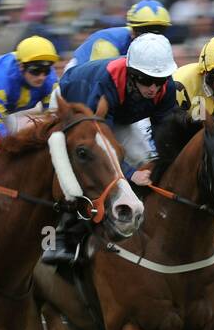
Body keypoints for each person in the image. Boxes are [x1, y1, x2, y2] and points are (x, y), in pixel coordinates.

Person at [51, 34, 183, 265]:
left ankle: (136, 222)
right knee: (89, 168)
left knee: (147, 158)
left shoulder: (166, 87)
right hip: (75, 107)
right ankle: (64, 237)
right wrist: (131, 173)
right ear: (132, 74)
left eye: (159, 81)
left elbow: (166, 136)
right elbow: (99, 147)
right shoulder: (106, 81)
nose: (153, 88)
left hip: (118, 116)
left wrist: (157, 166)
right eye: (145, 80)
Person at [0, 35, 59, 139]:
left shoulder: (51, 80)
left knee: (12, 130)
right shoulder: (0, 77)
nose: (42, 77)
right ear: (21, 66)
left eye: (46, 71)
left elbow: (53, 116)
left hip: (3, 110)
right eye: (35, 71)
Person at [65, 0, 171, 73]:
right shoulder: (108, 43)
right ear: (133, 31)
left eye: (159, 31)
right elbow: (100, 78)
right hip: (79, 76)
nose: (152, 37)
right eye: (145, 31)